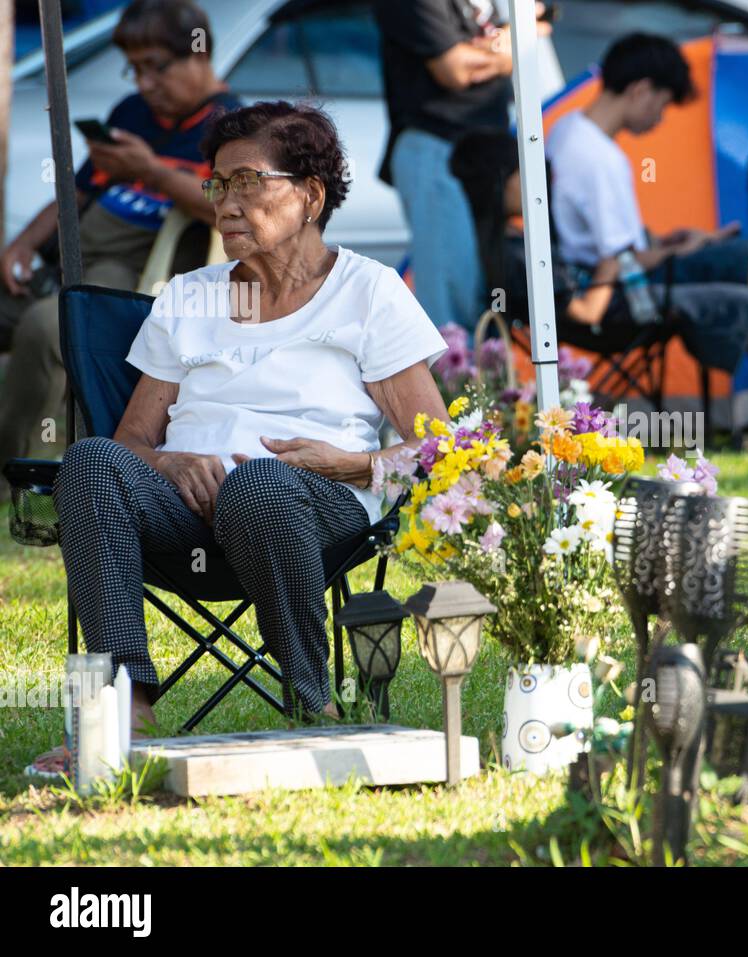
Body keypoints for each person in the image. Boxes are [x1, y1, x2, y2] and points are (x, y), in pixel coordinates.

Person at [28, 102, 450, 775]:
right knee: (89, 460)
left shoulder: (368, 292)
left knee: (258, 484)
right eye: (217, 184)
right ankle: (119, 715)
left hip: (316, 507)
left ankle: (316, 709)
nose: (225, 204)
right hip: (186, 517)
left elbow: (439, 450)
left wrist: (349, 463)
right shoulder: (188, 296)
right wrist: (168, 461)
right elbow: (132, 441)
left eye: (248, 181)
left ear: (309, 196)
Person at [545, 33, 748, 431]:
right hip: (614, 295)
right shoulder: (599, 158)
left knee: (732, 253)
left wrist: (674, 244)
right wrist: (684, 248)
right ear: (641, 90)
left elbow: (615, 243)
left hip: (594, 277)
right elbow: (623, 259)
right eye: (662, 106)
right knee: (743, 299)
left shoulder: (565, 131)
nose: (659, 119)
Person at [0, 0, 240, 498]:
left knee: (50, 328)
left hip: (133, 277)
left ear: (200, 53)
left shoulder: (232, 126)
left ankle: (17, 482)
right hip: (66, 262)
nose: (144, 84)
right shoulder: (133, 114)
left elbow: (228, 208)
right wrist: (21, 244)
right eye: (134, 69)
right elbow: (77, 193)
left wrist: (151, 170)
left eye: (157, 67)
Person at [375, 0, 548, 330]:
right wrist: (512, 51)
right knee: (450, 309)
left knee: (486, 302)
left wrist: (499, 47)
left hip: (484, 163)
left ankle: (483, 380)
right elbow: (454, 69)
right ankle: (451, 382)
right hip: (437, 150)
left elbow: (539, 21)